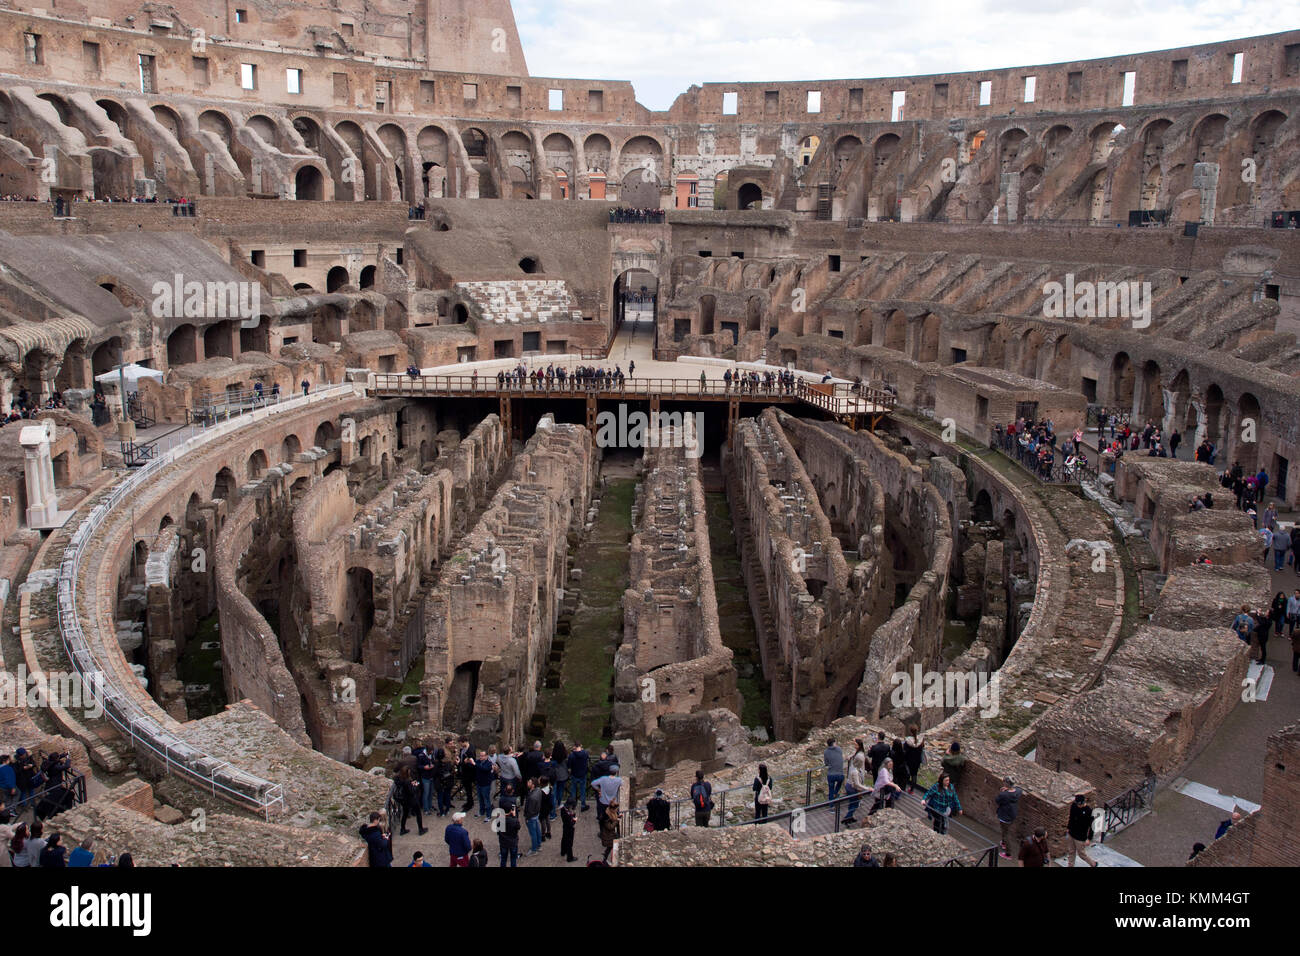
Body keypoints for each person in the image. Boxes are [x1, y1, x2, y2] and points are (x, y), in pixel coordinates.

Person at [1066, 793, 1099, 867]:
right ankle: (1070, 865)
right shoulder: (1074, 806)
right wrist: (1068, 827)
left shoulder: (1089, 811)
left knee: (1081, 854)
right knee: (1071, 851)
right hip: (1071, 833)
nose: (1078, 806)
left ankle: (1093, 864)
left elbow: (1092, 826)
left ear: (1084, 802)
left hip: (1080, 837)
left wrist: (1089, 838)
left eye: (1079, 804)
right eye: (1077, 804)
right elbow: (1071, 817)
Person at [995, 777, 1022, 858]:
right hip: (1012, 814)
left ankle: (1008, 853)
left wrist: (1003, 791)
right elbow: (1018, 788)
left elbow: (997, 800)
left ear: (1006, 783)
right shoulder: (1018, 791)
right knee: (1005, 830)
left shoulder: (1004, 794)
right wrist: (1007, 789)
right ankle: (1003, 842)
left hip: (1004, 815)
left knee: (1006, 833)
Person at [843, 749, 868, 826]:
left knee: (852, 803)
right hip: (852, 788)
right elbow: (857, 784)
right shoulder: (855, 771)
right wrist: (866, 788)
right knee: (855, 803)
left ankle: (850, 817)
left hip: (850, 786)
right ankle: (847, 818)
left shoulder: (855, 768)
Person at [522, 779, 543, 856]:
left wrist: (527, 818)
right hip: (536, 814)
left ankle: (534, 849)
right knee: (537, 830)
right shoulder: (539, 791)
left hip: (531, 816)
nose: (527, 782)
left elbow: (530, 810)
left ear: (533, 785)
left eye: (529, 782)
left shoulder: (532, 797)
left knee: (533, 833)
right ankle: (539, 845)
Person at [567, 742, 590, 810]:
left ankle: (573, 804)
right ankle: (583, 805)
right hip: (583, 774)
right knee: (582, 790)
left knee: (573, 790)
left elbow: (568, 765)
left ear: (574, 747)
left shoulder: (571, 755)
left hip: (574, 774)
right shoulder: (585, 753)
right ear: (580, 746)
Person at [902, 726, 925, 794]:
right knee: (914, 775)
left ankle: (903, 788)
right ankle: (911, 790)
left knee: (907, 773)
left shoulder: (908, 741)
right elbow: (922, 748)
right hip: (917, 761)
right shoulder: (920, 741)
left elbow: (905, 751)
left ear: (910, 732)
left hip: (908, 760)